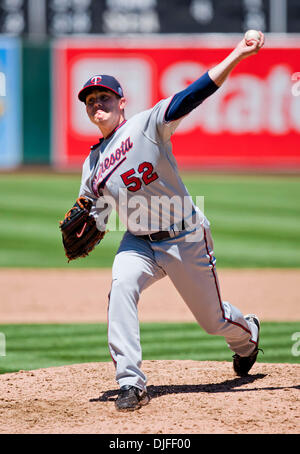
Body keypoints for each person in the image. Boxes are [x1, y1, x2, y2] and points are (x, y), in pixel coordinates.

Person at [76, 33, 265, 411]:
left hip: (185, 237)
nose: (97, 104)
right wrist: (88, 222)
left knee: (213, 321)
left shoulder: (146, 126)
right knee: (121, 286)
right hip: (138, 241)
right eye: (90, 100)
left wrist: (237, 55)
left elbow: (193, 93)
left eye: (104, 97)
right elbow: (92, 212)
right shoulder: (92, 165)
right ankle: (131, 382)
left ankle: (248, 336)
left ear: (121, 102)